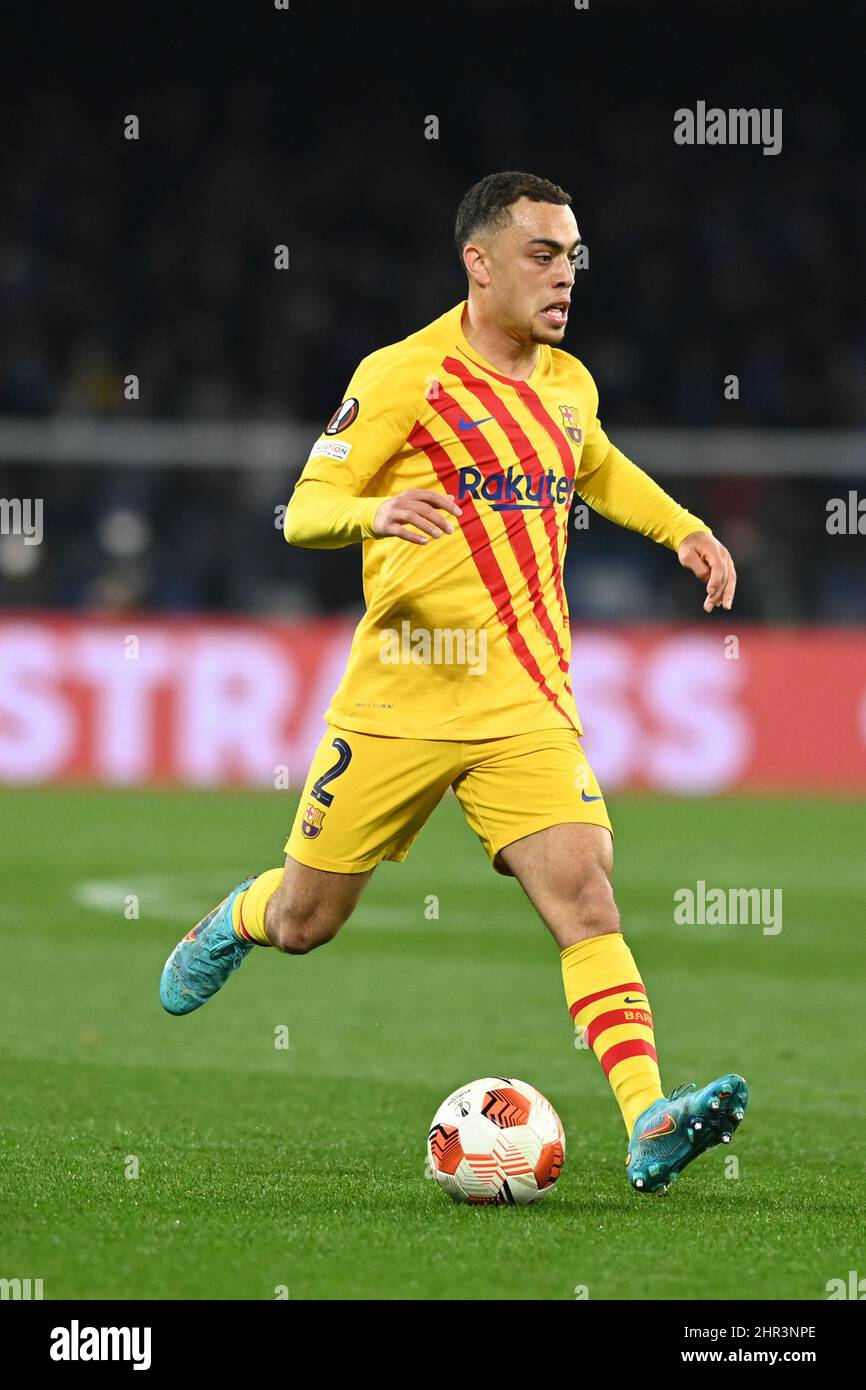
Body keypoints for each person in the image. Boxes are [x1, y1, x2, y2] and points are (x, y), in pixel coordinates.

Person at [160, 171, 747, 1195]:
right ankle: (241, 917)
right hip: (402, 695)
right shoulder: (403, 376)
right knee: (307, 922)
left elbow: (596, 463)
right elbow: (305, 508)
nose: (564, 276)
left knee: (585, 895)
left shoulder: (568, 383)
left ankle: (648, 1118)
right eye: (541, 255)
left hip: (523, 699)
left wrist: (683, 528)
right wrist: (375, 513)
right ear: (478, 263)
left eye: (571, 258)